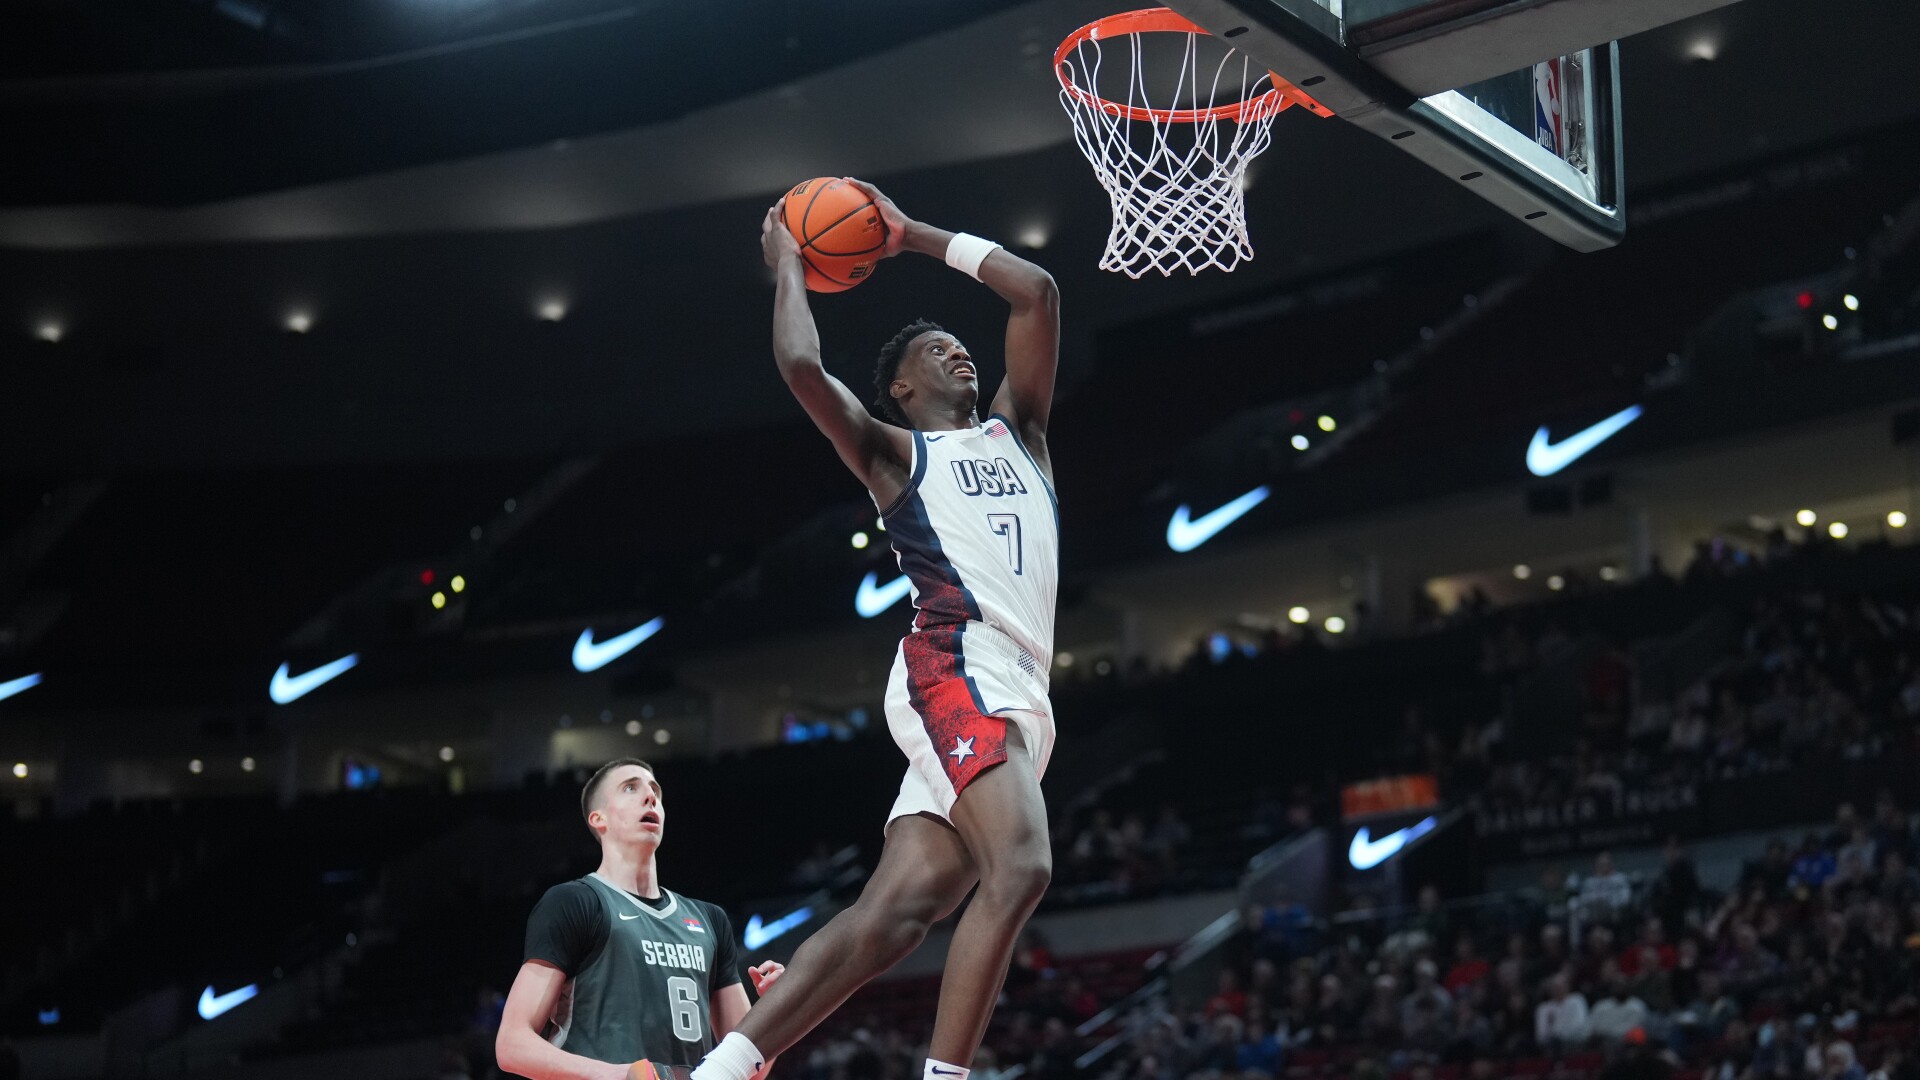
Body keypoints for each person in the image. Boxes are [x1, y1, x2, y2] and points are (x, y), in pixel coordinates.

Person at [689, 182, 1063, 1080]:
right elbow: (802, 370)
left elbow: (1038, 293)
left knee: (893, 917)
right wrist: (791, 269)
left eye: (961, 344)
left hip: (1020, 692)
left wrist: (913, 237)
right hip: (954, 663)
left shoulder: (1024, 435)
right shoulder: (894, 454)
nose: (961, 353)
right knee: (1022, 868)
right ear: (901, 388)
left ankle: (719, 1070)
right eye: (940, 351)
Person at [497, 759, 784, 1080]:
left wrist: (775, 1008)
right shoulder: (574, 901)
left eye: (655, 791)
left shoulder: (710, 920)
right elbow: (512, 1044)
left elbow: (753, 1072)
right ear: (598, 818)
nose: (650, 796)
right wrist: (626, 1076)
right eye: (630, 788)